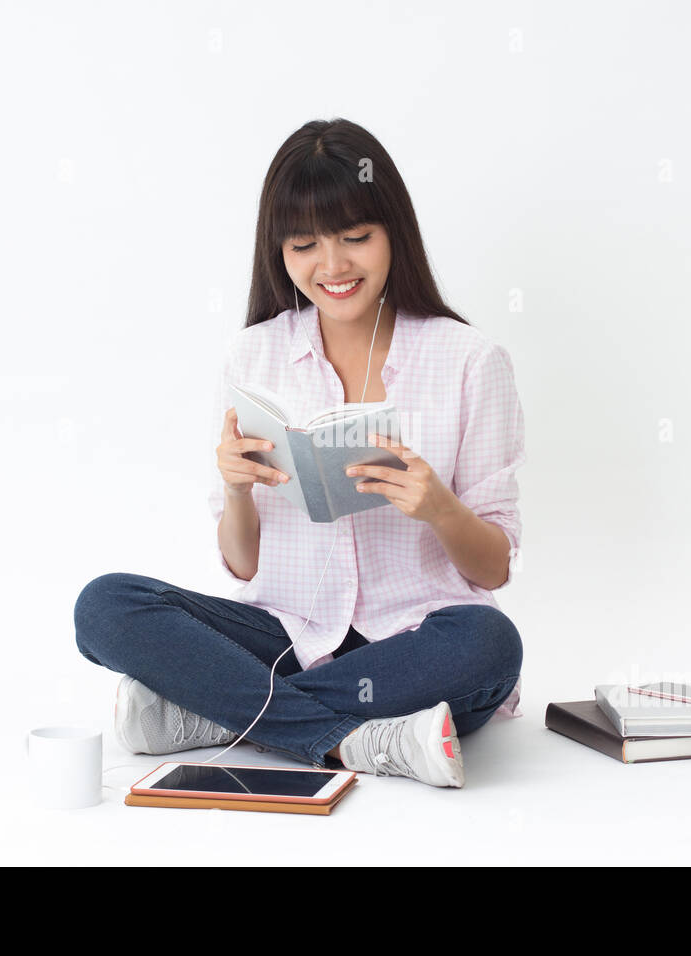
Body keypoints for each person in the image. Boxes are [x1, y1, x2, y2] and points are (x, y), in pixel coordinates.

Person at [74, 118, 526, 788]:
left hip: (409, 645)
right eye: (305, 244)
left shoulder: (469, 361)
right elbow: (241, 562)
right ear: (279, 250)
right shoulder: (253, 354)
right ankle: (355, 740)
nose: (333, 266)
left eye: (355, 237)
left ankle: (223, 718)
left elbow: (492, 570)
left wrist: (438, 508)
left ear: (393, 233)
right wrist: (234, 489)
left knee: (491, 648)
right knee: (105, 605)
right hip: (282, 637)